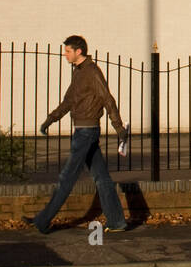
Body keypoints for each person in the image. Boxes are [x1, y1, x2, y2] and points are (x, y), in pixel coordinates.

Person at [30, 35, 131, 234]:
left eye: (68, 51)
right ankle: (117, 221)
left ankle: (43, 220)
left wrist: (118, 127)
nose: (65, 55)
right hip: (83, 131)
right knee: (102, 178)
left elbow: (107, 99)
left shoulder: (92, 72)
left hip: (87, 132)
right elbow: (69, 100)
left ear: (79, 51)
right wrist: (51, 119)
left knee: (67, 177)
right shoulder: (79, 72)